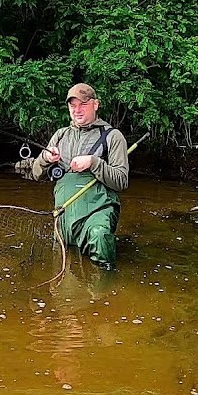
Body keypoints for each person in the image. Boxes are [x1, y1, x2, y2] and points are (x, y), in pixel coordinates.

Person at [30, 82, 129, 269]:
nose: (77, 110)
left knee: (100, 237)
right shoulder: (60, 135)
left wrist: (94, 162)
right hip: (64, 217)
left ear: (95, 104)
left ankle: (107, 285)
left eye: (83, 104)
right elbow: (36, 174)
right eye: (72, 105)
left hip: (97, 213)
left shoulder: (113, 137)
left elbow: (121, 181)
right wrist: (45, 158)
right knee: (63, 271)